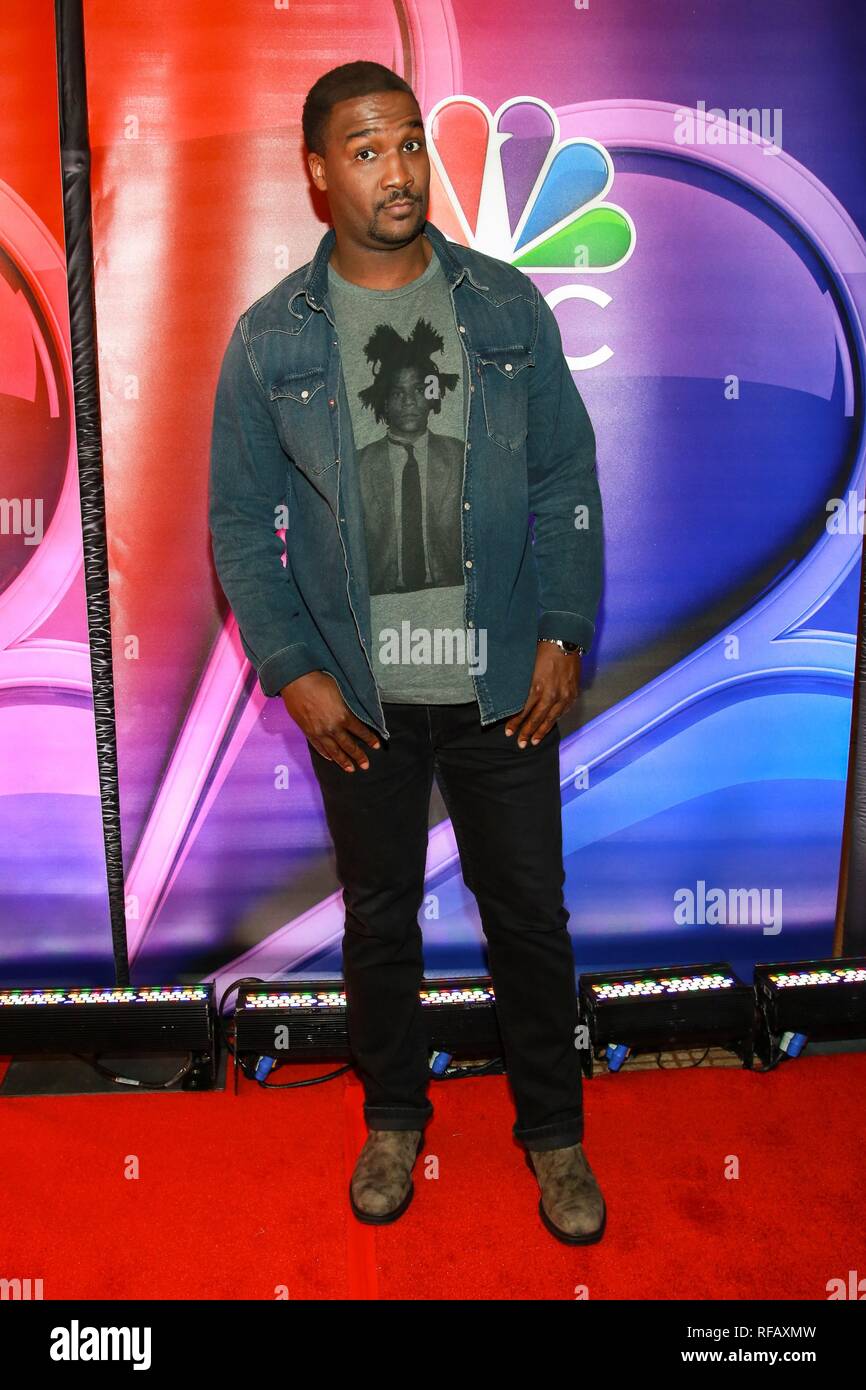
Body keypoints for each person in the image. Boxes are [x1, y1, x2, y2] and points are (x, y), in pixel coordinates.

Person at [209, 60, 606, 1245]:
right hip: (361, 699)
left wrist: (561, 627)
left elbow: (565, 477)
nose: (397, 170)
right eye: (367, 149)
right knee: (379, 918)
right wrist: (295, 665)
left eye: (410, 143)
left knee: (528, 916)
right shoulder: (271, 338)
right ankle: (392, 1118)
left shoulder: (500, 306)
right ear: (319, 170)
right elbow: (238, 518)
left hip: (495, 684)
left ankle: (555, 1137)